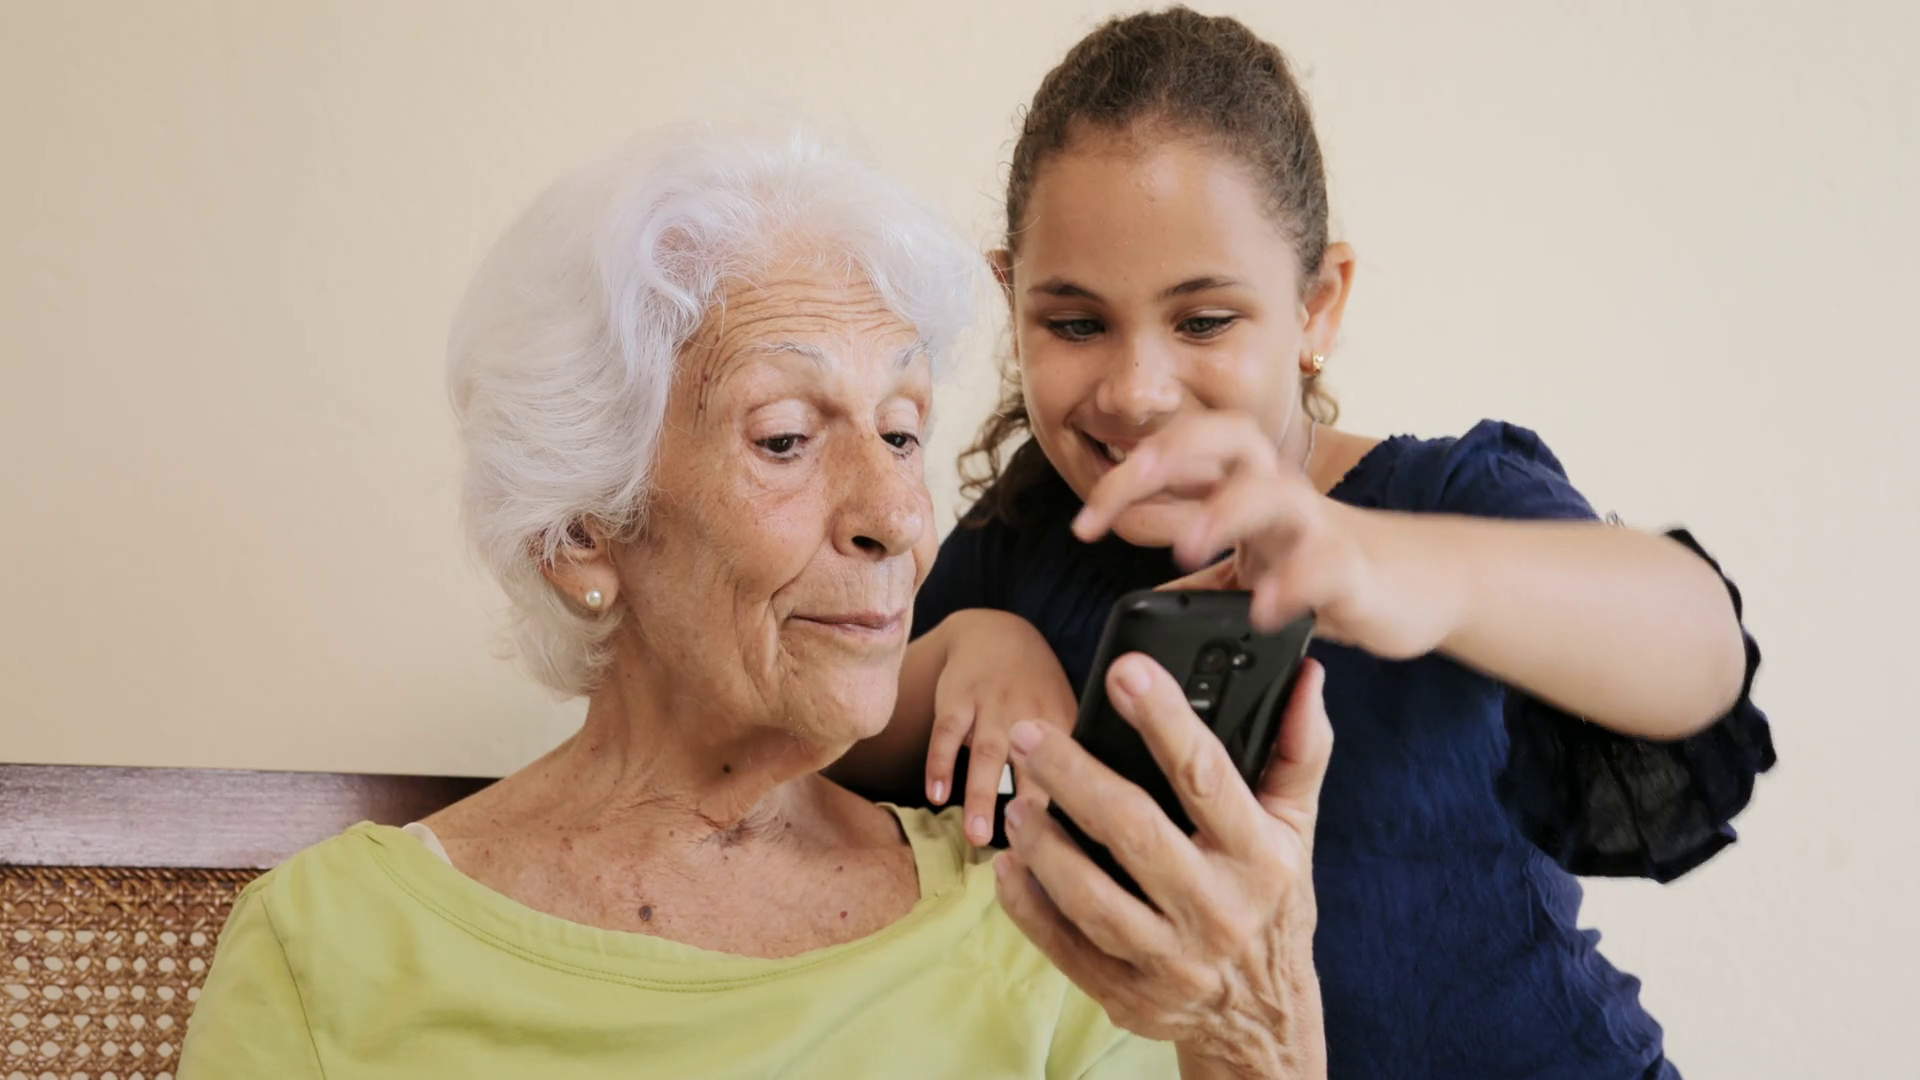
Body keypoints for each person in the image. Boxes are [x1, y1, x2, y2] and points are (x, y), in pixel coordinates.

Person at [177, 125, 1339, 1079]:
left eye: (903, 432)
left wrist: (1257, 1027)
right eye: (786, 438)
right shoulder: (329, 948)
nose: (896, 513)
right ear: (582, 531)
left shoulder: (1034, 920)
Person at [829, 9, 1775, 1079]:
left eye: (1204, 322)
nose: (1136, 391)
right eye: (1077, 324)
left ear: (1317, 306)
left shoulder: (1440, 499)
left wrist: (1392, 563)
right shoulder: (1026, 536)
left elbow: (1701, 652)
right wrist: (963, 651)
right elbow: (825, 742)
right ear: (1012, 302)